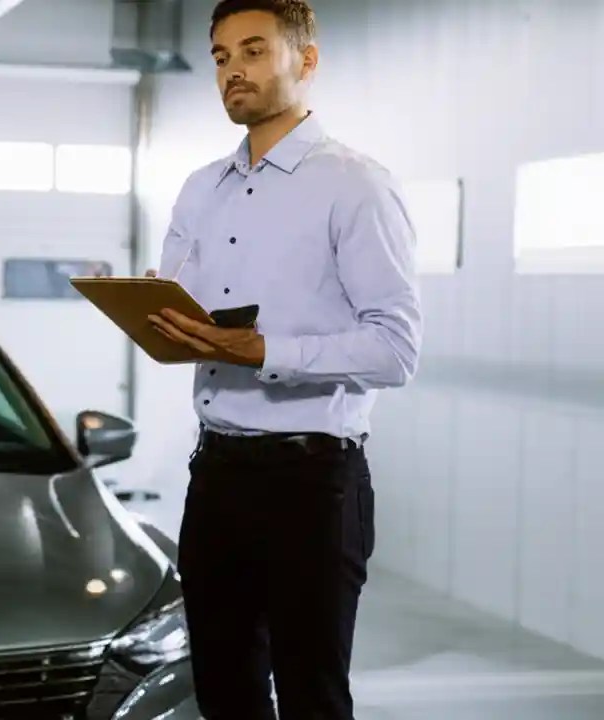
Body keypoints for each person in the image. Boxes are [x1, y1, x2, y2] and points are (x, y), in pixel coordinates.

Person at [144, 1, 422, 718]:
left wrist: (266, 350)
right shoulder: (200, 189)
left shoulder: (355, 185)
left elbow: (395, 348)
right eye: (221, 57)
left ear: (307, 59)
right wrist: (154, 312)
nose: (233, 71)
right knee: (224, 694)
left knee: (310, 697)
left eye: (254, 50)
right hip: (215, 474)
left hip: (312, 483)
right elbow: (185, 315)